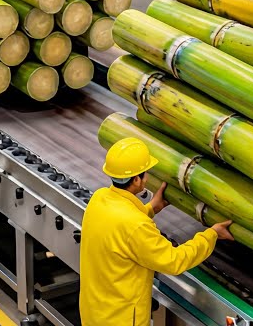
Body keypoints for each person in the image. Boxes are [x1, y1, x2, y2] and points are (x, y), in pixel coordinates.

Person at [79, 137, 233, 325]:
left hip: (94, 313)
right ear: (136, 179)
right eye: (146, 173)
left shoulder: (99, 199)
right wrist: (211, 234)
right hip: (121, 319)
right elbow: (174, 261)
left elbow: (121, 229)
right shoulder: (136, 225)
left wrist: (152, 207)